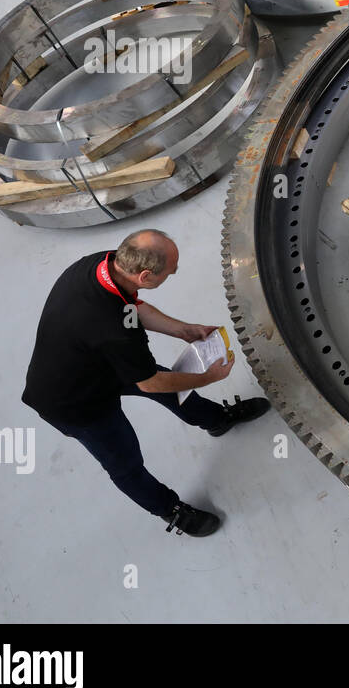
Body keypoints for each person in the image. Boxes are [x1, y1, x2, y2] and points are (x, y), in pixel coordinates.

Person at [22, 229, 270, 537]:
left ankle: (216, 419)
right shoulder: (115, 331)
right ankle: (169, 509)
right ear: (145, 275)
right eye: (170, 271)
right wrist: (208, 377)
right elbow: (150, 383)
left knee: (174, 388)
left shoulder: (102, 265)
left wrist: (182, 330)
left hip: (98, 362)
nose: (174, 273)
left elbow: (133, 308)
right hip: (74, 402)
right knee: (125, 461)